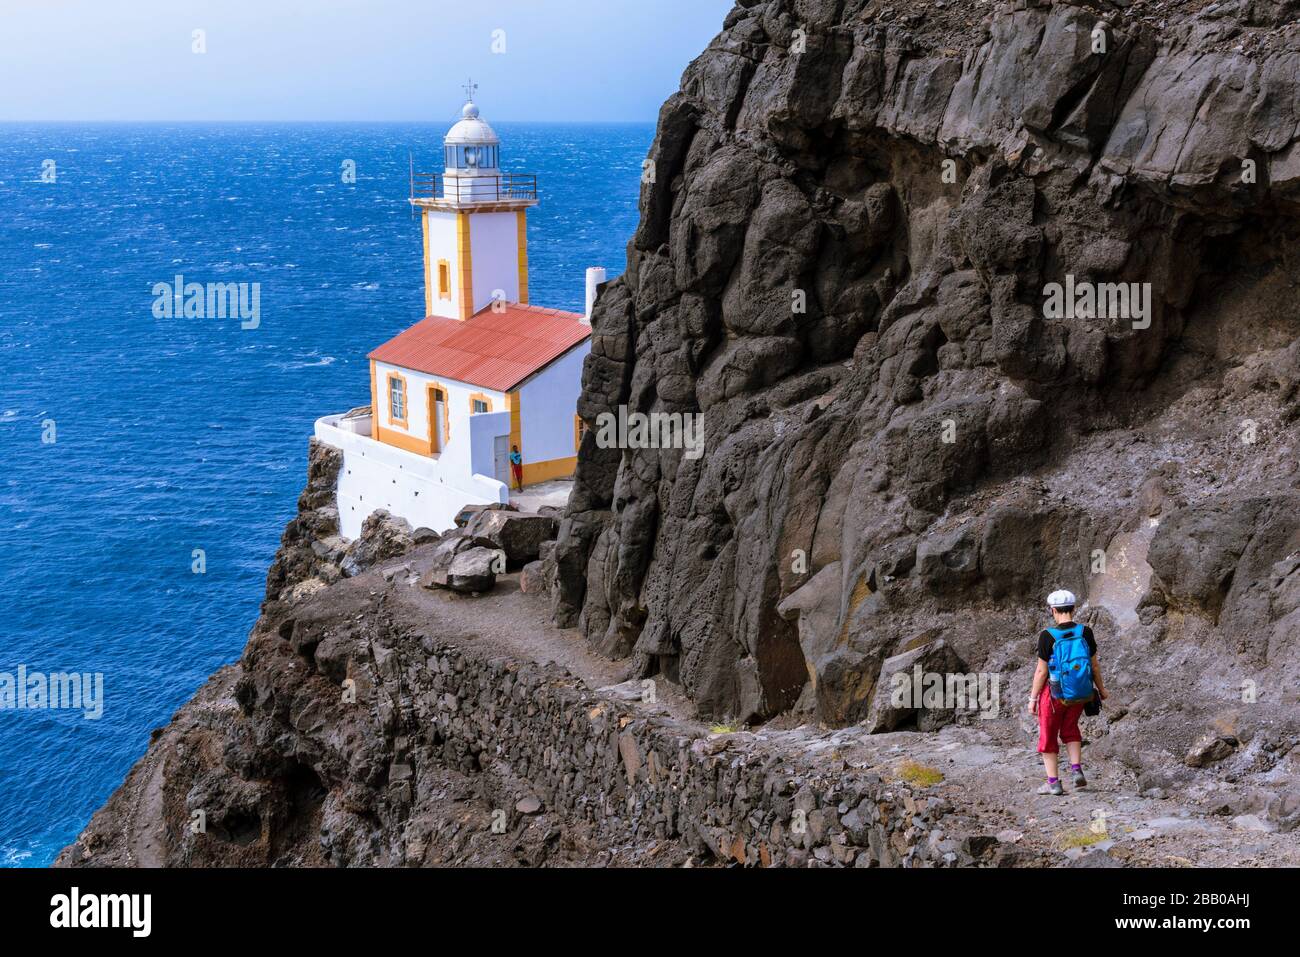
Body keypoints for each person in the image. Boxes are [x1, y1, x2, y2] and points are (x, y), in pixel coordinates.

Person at [1028, 589, 1108, 795]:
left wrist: (1033, 698)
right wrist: (1101, 690)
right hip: (1081, 693)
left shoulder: (1047, 636)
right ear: (1073, 608)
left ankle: (1053, 783)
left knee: (1048, 735)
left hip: (1055, 696)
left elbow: (1041, 671)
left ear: (1053, 610)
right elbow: (1095, 666)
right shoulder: (1085, 632)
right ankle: (1076, 770)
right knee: (1071, 729)